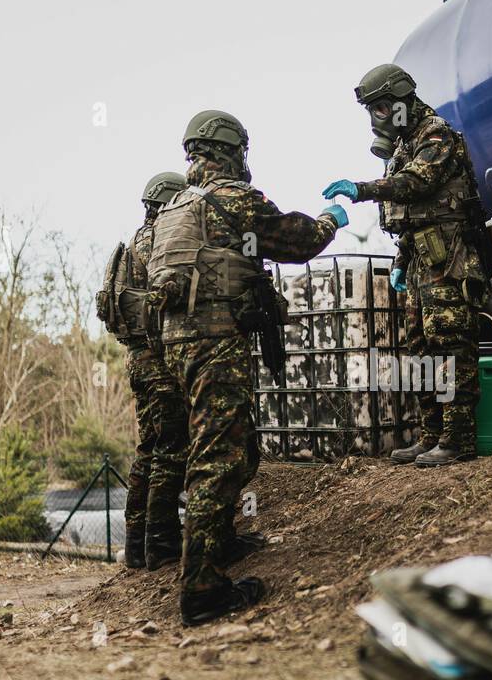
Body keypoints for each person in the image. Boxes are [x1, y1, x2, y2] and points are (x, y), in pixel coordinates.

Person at [148, 109, 346, 625]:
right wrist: (330, 221)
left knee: (228, 446)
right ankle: (202, 592)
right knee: (218, 457)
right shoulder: (231, 197)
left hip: (177, 344)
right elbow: (298, 240)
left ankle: (220, 543)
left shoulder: (172, 207)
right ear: (230, 150)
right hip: (215, 341)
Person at [322, 63, 484, 467]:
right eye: (372, 110)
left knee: (451, 345)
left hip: (450, 257)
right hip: (420, 261)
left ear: (401, 101)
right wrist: (401, 261)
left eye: (380, 108)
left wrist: (362, 189)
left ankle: (458, 438)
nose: (376, 118)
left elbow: (415, 184)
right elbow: (412, 218)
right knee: (420, 349)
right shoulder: (403, 146)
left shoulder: (436, 135)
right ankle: (430, 435)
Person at [97, 172, 189, 570]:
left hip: (138, 359)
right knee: (171, 448)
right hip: (158, 360)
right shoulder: (159, 240)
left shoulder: (136, 239)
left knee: (149, 450)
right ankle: (162, 543)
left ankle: (136, 543)